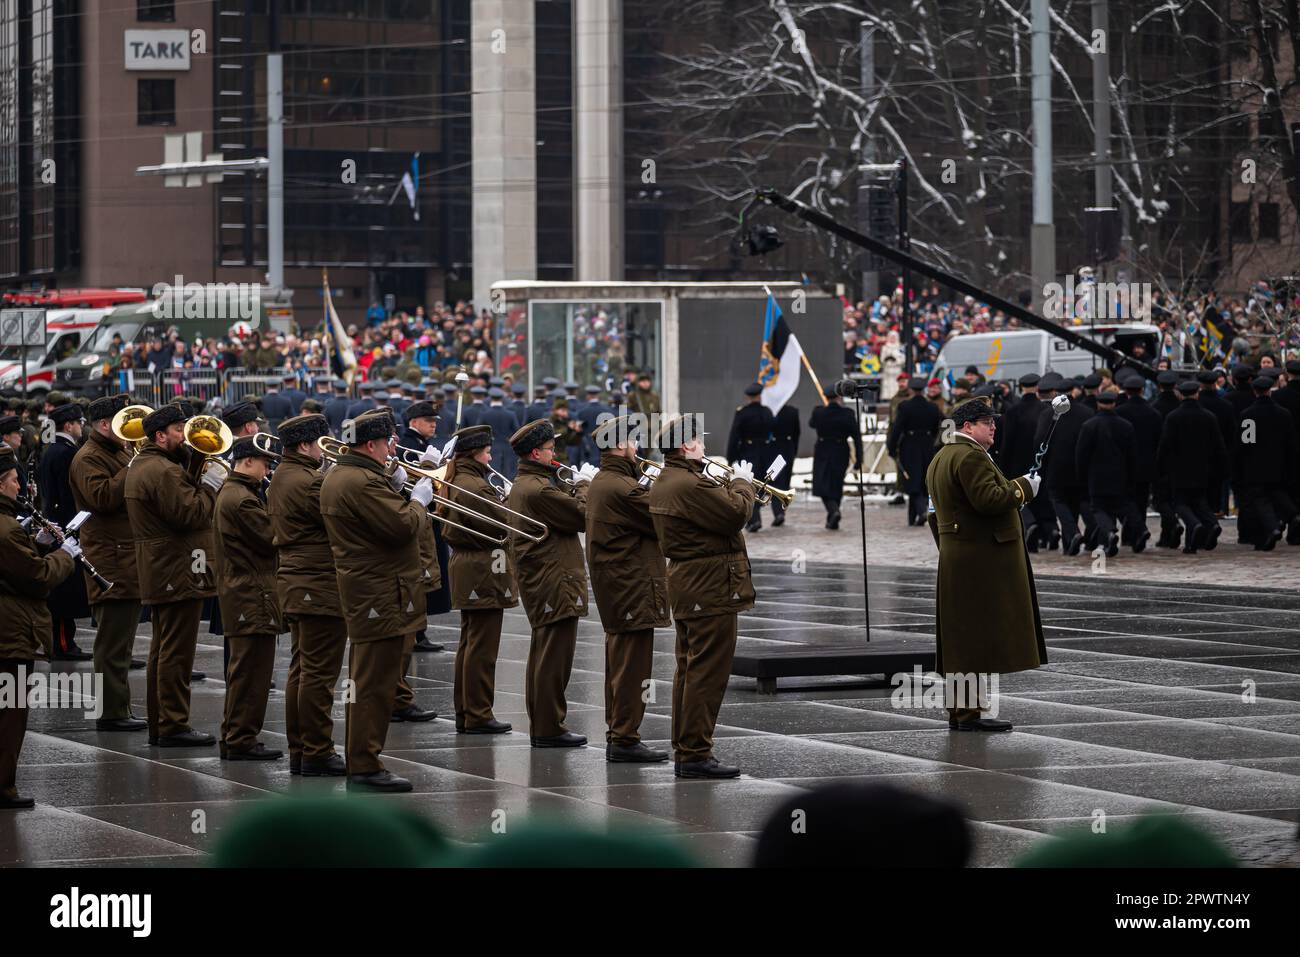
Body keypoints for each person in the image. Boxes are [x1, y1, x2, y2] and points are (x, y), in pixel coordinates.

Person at [320, 409, 433, 791]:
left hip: (373, 589)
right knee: (374, 684)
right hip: (380, 591)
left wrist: (395, 485)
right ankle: (365, 764)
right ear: (371, 444)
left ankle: (364, 760)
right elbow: (402, 526)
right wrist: (418, 500)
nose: (392, 449)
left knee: (369, 681)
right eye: (388, 442)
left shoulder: (348, 474)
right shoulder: (360, 481)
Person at [925, 398, 1045, 732]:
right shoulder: (969, 456)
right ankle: (967, 715)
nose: (993, 426)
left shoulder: (942, 456)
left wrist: (951, 548)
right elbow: (990, 500)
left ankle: (964, 712)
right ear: (967, 426)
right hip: (978, 561)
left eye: (992, 421)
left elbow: (934, 515)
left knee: (963, 639)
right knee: (972, 640)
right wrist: (1023, 489)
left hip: (959, 557)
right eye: (985, 421)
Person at [648, 413, 756, 778]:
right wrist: (742, 483)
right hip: (709, 585)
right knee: (707, 672)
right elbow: (735, 513)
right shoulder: (688, 484)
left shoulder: (671, 478)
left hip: (690, 582)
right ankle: (695, 752)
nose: (705, 447)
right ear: (685, 445)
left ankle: (687, 747)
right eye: (700, 440)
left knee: (690, 668)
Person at [124, 405, 223, 747]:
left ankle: (162, 722)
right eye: (179, 430)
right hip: (176, 567)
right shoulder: (161, 470)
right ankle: (172, 724)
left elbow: (176, 502)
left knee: (163, 649)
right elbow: (190, 513)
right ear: (159, 436)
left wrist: (195, 466)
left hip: (164, 566)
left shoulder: (153, 464)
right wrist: (210, 486)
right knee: (176, 652)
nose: (186, 435)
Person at [267, 413, 347, 776]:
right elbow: (341, 517)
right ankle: (317, 749)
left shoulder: (284, 475)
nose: (323, 449)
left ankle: (302, 748)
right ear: (305, 445)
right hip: (317, 582)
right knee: (318, 673)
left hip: (299, 581)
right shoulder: (308, 480)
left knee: (302, 669)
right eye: (320, 443)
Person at [586, 415, 670, 763]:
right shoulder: (621, 486)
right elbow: (662, 517)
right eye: (633, 442)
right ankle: (624, 737)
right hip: (630, 586)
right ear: (620, 446)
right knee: (632, 667)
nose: (637, 447)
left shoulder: (610, 480)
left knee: (622, 663)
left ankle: (620, 734)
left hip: (621, 585)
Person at [505, 419, 591, 748]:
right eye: (550, 449)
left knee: (545, 652)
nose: (555, 453)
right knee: (554, 656)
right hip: (552, 577)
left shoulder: (532, 483)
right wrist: (583, 485)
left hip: (546, 576)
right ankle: (548, 726)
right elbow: (581, 516)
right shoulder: (538, 488)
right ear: (536, 453)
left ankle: (545, 723)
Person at [0, 447, 77, 809]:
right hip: (10, 633)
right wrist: (65, 555)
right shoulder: (4, 530)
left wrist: (36, 543)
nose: (20, 488)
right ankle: (3, 787)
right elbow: (37, 577)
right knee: (10, 716)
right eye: (15, 481)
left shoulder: (9, 529)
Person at [69, 394, 146, 731]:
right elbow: (101, 498)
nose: (129, 431)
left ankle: (120, 708)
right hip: (109, 560)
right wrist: (132, 467)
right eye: (121, 422)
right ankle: (111, 713)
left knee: (123, 640)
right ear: (104, 424)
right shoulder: (88, 458)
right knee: (112, 642)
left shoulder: (116, 451)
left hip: (124, 556)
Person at [438, 424, 516, 735]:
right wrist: (508, 501)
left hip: (470, 567)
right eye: (486, 451)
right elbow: (502, 525)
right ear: (474, 453)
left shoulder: (459, 478)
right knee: (482, 648)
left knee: (470, 644)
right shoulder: (475, 484)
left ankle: (467, 711)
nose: (491, 455)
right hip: (482, 569)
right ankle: (478, 713)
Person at [214, 435, 283, 761]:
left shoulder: (236, 492)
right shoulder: (242, 499)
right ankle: (241, 738)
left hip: (244, 590)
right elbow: (272, 537)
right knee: (251, 672)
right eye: (265, 463)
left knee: (245, 670)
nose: (267, 469)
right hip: (251, 592)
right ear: (248, 461)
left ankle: (235, 735)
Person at [37, 402, 91, 660]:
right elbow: (68, 495)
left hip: (57, 524)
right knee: (64, 591)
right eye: (78, 423)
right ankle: (62, 642)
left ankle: (65, 640)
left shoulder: (53, 450)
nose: (81, 427)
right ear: (69, 425)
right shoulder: (66, 452)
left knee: (65, 588)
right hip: (65, 526)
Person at [398, 400, 450, 652]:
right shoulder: (408, 444)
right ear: (414, 422)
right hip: (416, 514)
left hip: (424, 513)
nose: (433, 425)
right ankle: (417, 632)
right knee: (421, 573)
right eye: (429, 421)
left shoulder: (417, 444)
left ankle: (419, 631)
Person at [1156, 380, 1226, 553]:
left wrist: (1160, 467)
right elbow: (1218, 446)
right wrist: (1220, 468)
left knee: (1180, 503)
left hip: (1179, 468)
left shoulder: (1173, 417)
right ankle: (1205, 529)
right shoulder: (1209, 416)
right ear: (1197, 393)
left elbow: (1165, 445)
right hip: (1203, 467)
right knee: (1199, 501)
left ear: (1180, 394)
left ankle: (1195, 525)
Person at [1033, 373, 1095, 555]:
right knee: (1075, 501)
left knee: (1059, 501)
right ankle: (1070, 543)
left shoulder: (1048, 414)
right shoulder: (1086, 412)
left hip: (1055, 466)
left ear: (1056, 393)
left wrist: (1040, 461)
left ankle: (1073, 534)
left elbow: (1039, 441)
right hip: (1079, 466)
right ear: (1073, 392)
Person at [1235, 376, 1298, 551]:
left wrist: (1241, 463)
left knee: (1259, 498)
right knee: (1276, 492)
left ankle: (1273, 527)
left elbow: (1245, 443)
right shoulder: (1283, 414)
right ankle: (1293, 515)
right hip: (1278, 463)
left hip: (1255, 464)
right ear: (1270, 390)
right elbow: (1290, 442)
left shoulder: (1248, 415)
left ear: (1255, 392)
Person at [1075, 390, 1136, 557]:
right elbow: (1131, 455)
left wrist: (1082, 478)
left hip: (1096, 476)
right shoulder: (1126, 425)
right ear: (1114, 404)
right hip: (1119, 476)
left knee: (1099, 508)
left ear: (1098, 404)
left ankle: (1108, 533)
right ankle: (1109, 541)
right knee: (1116, 507)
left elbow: (1081, 456)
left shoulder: (1089, 426)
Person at [1001, 374, 1055, 551]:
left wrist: (1003, 465)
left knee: (1020, 497)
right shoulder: (1045, 410)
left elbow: (1007, 442)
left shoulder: (1013, 411)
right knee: (1041, 496)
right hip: (1040, 459)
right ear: (1037, 387)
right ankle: (1050, 530)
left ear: (1021, 388)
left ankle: (1031, 525)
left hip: (1017, 461)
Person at [887, 377, 944, 527]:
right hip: (927, 444)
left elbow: (897, 428)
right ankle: (913, 518)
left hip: (910, 445)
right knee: (923, 478)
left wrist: (891, 447)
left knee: (912, 479)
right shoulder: (932, 407)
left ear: (911, 389)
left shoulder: (905, 406)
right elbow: (942, 423)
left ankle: (920, 512)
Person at [1115, 372, 1162, 552]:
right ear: (1142, 390)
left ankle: (1129, 536)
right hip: (1146, 465)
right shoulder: (1154, 413)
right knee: (1141, 501)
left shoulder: (1120, 412)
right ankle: (1137, 535)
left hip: (1124, 465)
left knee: (1126, 501)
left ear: (1126, 392)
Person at [726, 383, 774, 532]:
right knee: (760, 484)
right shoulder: (767, 412)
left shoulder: (742, 412)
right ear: (760, 396)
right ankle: (755, 518)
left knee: (749, 483)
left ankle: (755, 519)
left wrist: (731, 456)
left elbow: (734, 436)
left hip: (748, 452)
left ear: (748, 397)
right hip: (766, 452)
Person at [809, 393, 861, 530]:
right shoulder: (847, 414)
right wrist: (859, 458)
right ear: (839, 398)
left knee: (821, 484)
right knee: (836, 484)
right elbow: (856, 436)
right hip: (841, 451)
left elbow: (811, 423)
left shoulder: (819, 412)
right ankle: (833, 517)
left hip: (823, 450)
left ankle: (833, 511)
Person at [767, 402, 799, 527]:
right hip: (788, 448)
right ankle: (781, 511)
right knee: (784, 481)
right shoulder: (793, 411)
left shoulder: (769, 411)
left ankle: (779, 512)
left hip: (773, 449)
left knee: (775, 481)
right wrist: (793, 450)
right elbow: (797, 433)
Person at [481, 387, 521, 479]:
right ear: (502, 398)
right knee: (508, 474)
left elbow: (480, 431)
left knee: (493, 473)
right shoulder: (511, 414)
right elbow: (517, 432)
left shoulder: (485, 414)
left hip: (491, 447)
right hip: (507, 446)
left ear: (491, 398)